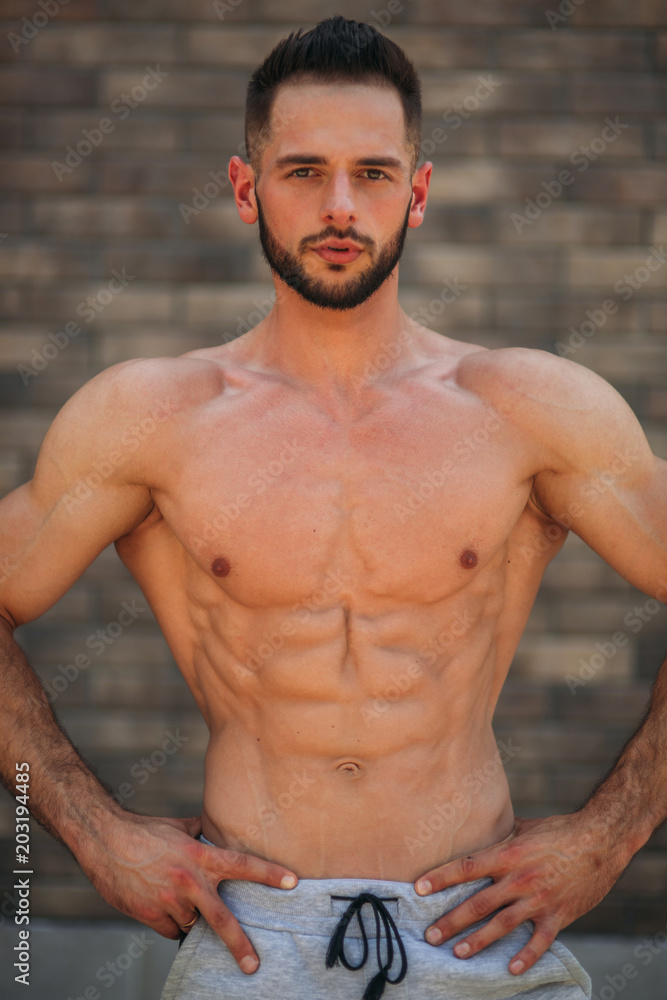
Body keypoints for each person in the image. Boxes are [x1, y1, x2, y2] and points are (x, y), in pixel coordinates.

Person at [0, 14, 665, 1000]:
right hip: (253, 939)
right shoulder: (151, 417)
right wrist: (93, 831)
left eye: (374, 173)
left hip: (482, 934)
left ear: (419, 193)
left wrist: (613, 831)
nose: (341, 205)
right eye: (304, 172)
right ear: (244, 187)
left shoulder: (526, 408)